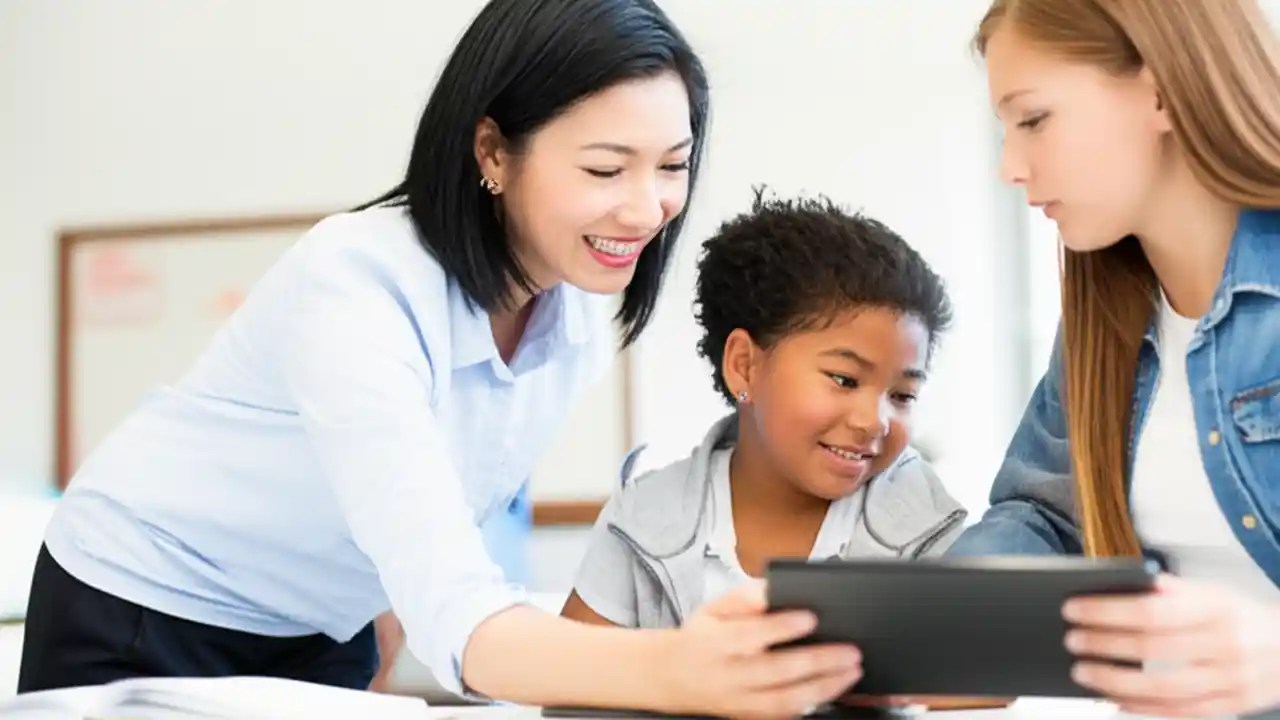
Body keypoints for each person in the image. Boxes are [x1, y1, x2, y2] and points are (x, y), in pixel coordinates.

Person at [19, 1, 862, 716]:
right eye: (607, 167)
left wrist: (390, 601)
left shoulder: (568, 314)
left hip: (321, 627)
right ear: (492, 151)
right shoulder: (357, 281)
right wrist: (678, 669)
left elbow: (433, 528)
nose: (648, 209)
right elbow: (458, 607)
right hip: (141, 605)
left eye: (673, 167)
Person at [947, 0, 1280, 716]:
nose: (1010, 166)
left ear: (1160, 91)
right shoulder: (1106, 326)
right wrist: (936, 629)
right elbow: (1047, 519)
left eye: (1033, 119)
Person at [561, 191, 965, 630]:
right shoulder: (642, 519)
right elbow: (569, 673)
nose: (874, 421)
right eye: (844, 380)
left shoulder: (931, 533)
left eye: (902, 396)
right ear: (744, 366)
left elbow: (974, 685)